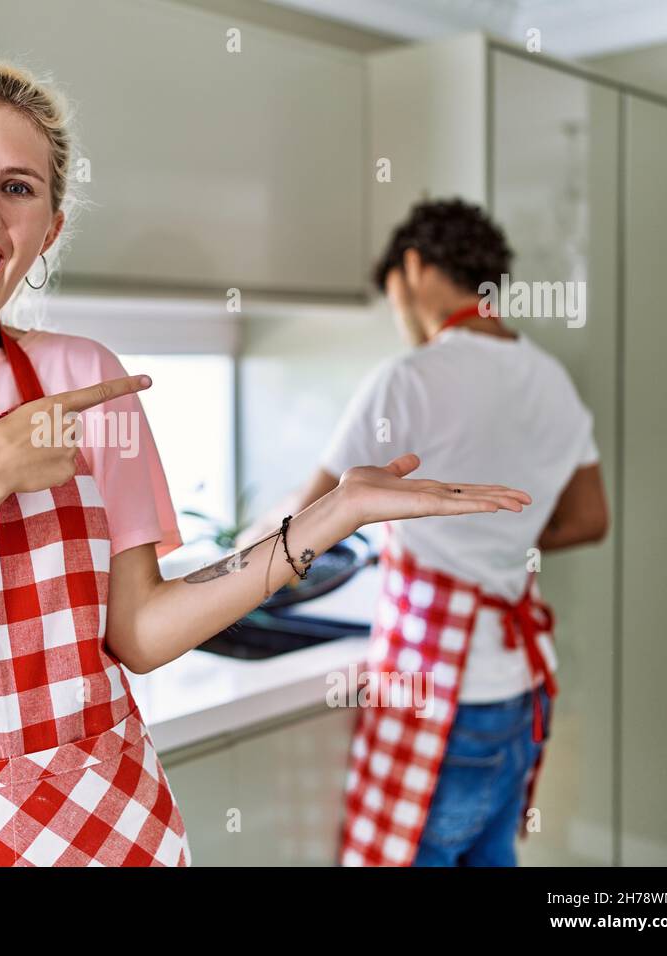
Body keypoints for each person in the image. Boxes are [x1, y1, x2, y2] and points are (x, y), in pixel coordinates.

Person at [0, 57, 533, 867]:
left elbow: (141, 631)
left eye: (18, 187)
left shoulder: (86, 376)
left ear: (47, 229)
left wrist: (332, 516)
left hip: (109, 826)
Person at [240, 198, 610, 866]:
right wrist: (500, 540)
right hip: (519, 688)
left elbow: (308, 519)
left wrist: (238, 553)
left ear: (412, 268)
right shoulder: (552, 380)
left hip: (440, 698)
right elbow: (589, 520)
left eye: (394, 297)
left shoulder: (408, 379)